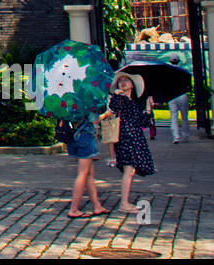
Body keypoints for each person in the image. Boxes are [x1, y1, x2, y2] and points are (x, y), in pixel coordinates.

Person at [102, 71, 155, 213]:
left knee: (130, 170)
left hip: (134, 137)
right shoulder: (120, 99)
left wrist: (148, 108)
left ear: (132, 85)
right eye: (121, 80)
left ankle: (125, 202)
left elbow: (143, 122)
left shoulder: (132, 102)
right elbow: (113, 110)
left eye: (127, 80)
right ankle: (124, 203)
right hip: (126, 137)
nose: (123, 82)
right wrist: (116, 95)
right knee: (129, 170)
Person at [66, 112, 110, 219]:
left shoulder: (70, 98)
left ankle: (97, 206)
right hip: (86, 136)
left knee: (89, 173)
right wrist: (106, 114)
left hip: (72, 136)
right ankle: (74, 209)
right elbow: (94, 119)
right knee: (83, 173)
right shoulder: (87, 97)